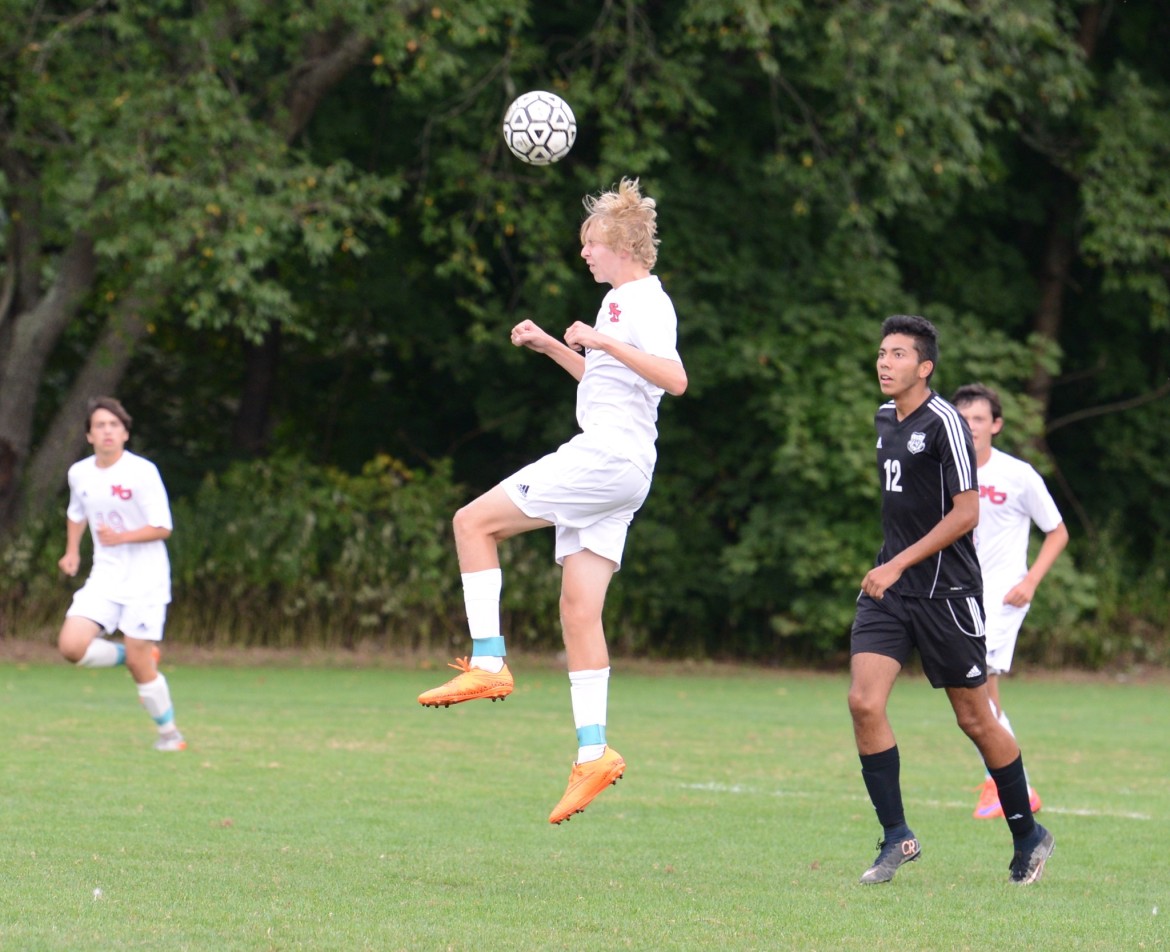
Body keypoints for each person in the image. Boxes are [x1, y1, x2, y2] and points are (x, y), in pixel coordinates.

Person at [417, 177, 686, 824]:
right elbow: (612, 383)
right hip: (626, 467)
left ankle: (488, 661)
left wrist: (602, 340)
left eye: (590, 243)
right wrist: (558, 349)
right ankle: (593, 753)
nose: (585, 254)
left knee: (471, 523)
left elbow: (674, 379)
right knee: (578, 611)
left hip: (607, 457)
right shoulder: (631, 303)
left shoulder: (632, 301)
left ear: (620, 244)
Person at [848, 315, 1053, 885]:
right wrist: (891, 566)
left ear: (925, 366)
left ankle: (1027, 833)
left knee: (974, 717)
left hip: (947, 595)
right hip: (891, 594)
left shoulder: (947, 424)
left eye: (897, 354)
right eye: (882, 351)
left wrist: (895, 562)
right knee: (864, 702)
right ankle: (897, 838)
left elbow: (967, 513)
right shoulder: (885, 418)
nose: (884, 362)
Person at [952, 383, 1068, 820]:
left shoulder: (1017, 475)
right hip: (959, 598)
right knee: (976, 692)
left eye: (979, 419)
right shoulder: (948, 472)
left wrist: (1031, 581)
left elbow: (1057, 530)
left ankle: (999, 784)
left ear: (996, 425)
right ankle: (1011, 785)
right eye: (962, 419)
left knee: (975, 688)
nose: (971, 427)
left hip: (1002, 597)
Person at [57, 396, 185, 752]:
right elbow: (76, 512)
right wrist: (71, 552)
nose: (107, 431)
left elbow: (162, 526)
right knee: (71, 647)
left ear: (125, 433)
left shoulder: (142, 472)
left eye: (114, 425)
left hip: (147, 580)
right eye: (100, 425)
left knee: (140, 665)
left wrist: (123, 536)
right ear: (89, 436)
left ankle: (170, 734)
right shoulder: (78, 473)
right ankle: (134, 654)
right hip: (106, 577)